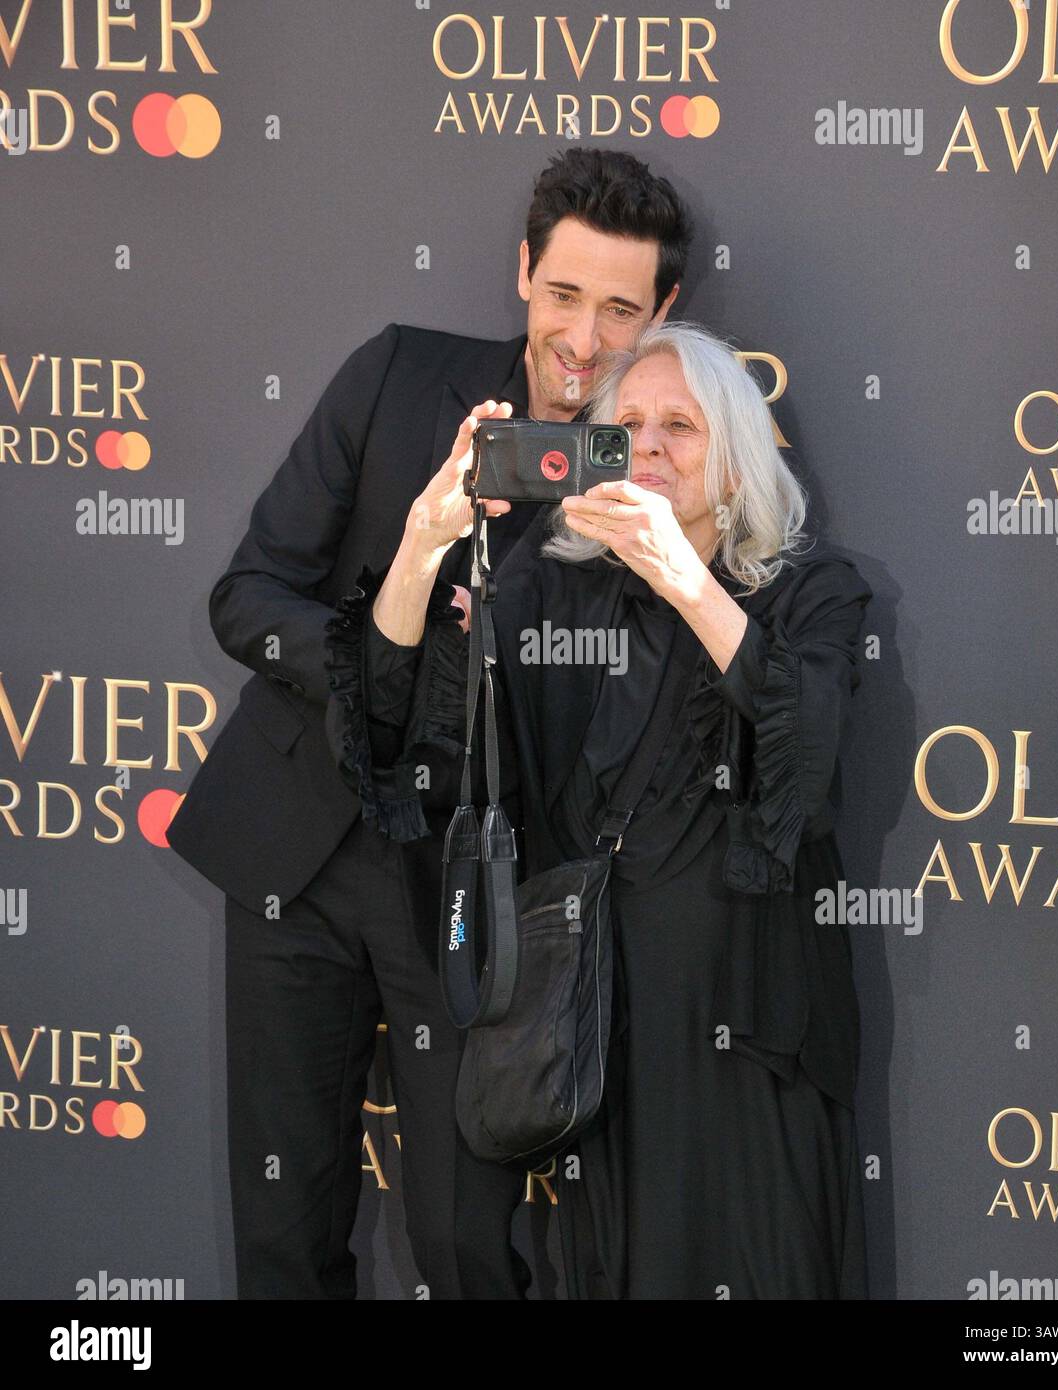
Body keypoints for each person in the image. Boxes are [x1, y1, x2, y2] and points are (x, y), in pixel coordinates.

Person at [164, 147, 695, 1298]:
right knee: (283, 1221)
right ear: (520, 273)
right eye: (563, 295)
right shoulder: (399, 377)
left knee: (467, 1243)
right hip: (298, 855)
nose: (584, 340)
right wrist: (384, 629)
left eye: (618, 309)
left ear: (662, 310)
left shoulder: (656, 477)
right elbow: (245, 597)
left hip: (477, 893)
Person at [326, 319, 875, 1299]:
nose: (651, 446)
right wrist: (424, 538)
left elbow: (811, 760)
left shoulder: (808, 592)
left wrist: (678, 571)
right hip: (589, 1043)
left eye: (681, 426)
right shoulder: (552, 592)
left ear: (738, 460)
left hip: (743, 1044)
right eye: (625, 426)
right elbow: (395, 735)